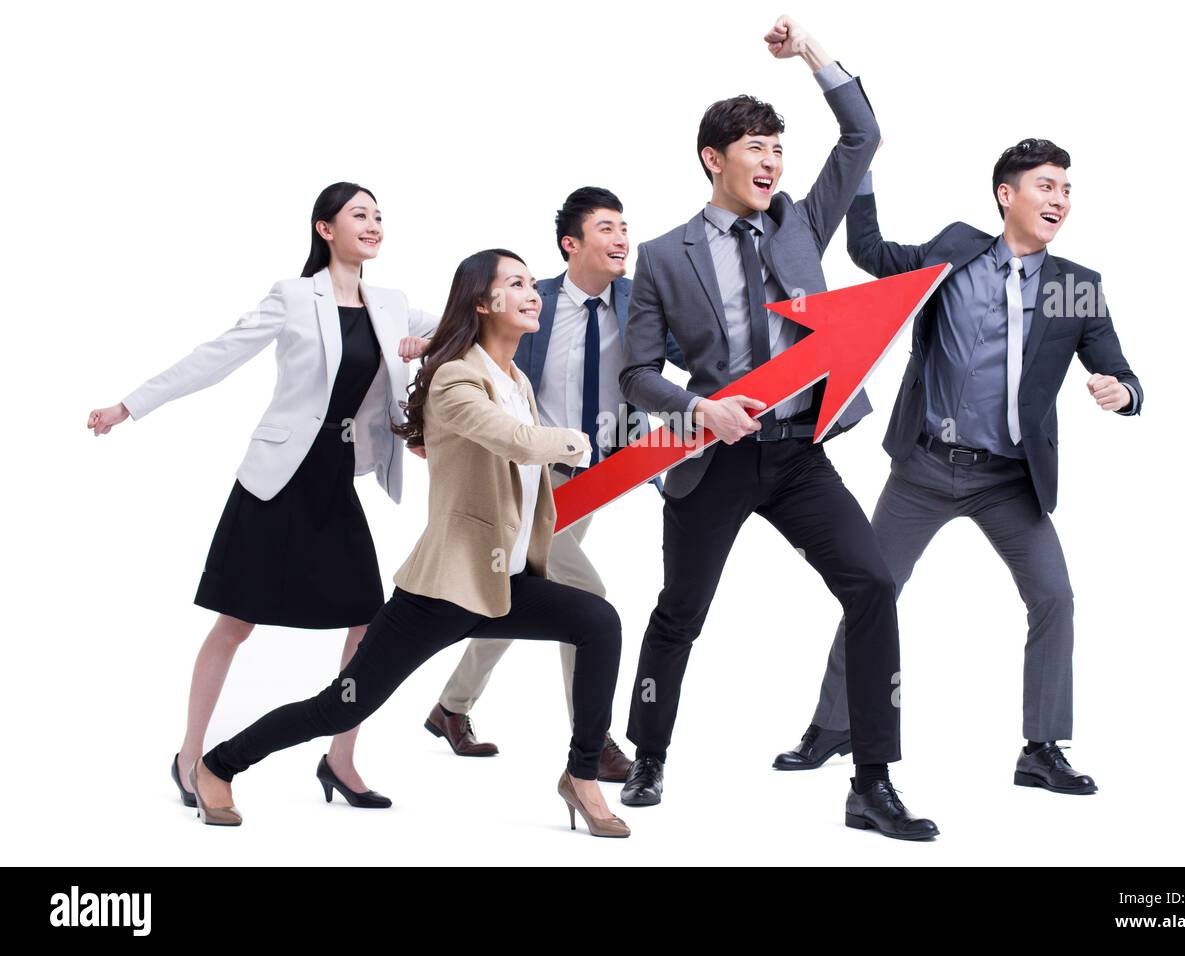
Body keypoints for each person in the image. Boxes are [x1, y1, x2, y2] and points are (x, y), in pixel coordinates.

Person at [617, 15, 938, 839]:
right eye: (753, 147)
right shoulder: (660, 255)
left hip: (799, 454)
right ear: (712, 159)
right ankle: (648, 755)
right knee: (679, 613)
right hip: (712, 458)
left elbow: (863, 133)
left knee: (871, 586)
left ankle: (872, 780)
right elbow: (634, 372)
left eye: (776, 148)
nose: (769, 161)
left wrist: (812, 54)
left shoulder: (799, 223)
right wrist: (698, 407)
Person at [190, 249, 630, 838]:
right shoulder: (455, 378)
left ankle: (581, 777)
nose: (532, 293)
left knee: (598, 621)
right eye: (517, 283)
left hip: (502, 581)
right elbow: (516, 442)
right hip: (444, 590)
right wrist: (579, 443)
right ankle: (218, 766)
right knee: (342, 705)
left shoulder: (516, 380)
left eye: (532, 282)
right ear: (482, 302)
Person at [774, 138, 1143, 796]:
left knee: (1054, 596)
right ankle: (833, 727)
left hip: (1008, 481)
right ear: (1008, 195)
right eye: (1046, 186)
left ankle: (1042, 748)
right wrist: (860, 178)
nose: (1059, 199)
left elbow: (1117, 366)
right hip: (924, 468)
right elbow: (873, 255)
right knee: (872, 592)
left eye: (1065, 189)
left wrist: (1123, 392)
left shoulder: (1074, 288)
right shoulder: (957, 251)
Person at [86, 182, 437, 811]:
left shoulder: (392, 302)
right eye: (360, 214)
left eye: (380, 216)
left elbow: (460, 325)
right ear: (325, 228)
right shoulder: (293, 297)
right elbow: (216, 357)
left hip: (335, 478)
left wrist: (427, 343)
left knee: (367, 619)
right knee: (236, 622)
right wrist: (128, 406)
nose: (374, 224)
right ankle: (190, 758)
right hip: (276, 481)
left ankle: (341, 757)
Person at [426, 187, 683, 784]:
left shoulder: (638, 301)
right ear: (572, 244)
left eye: (625, 227)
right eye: (606, 229)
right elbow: (472, 350)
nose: (622, 239)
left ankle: (451, 707)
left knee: (521, 590)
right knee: (583, 603)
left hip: (601, 472)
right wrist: (425, 358)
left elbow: (689, 349)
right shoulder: (531, 302)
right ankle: (593, 744)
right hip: (530, 470)